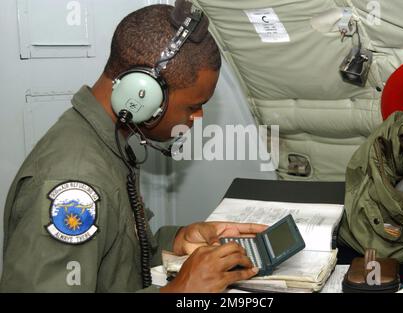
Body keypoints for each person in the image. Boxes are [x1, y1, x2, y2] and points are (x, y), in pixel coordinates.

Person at [0, 3, 266, 292]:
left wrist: (179, 240)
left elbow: (116, 260)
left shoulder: (107, 143)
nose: (198, 117)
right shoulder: (74, 182)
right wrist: (178, 292)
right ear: (143, 93)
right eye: (194, 106)